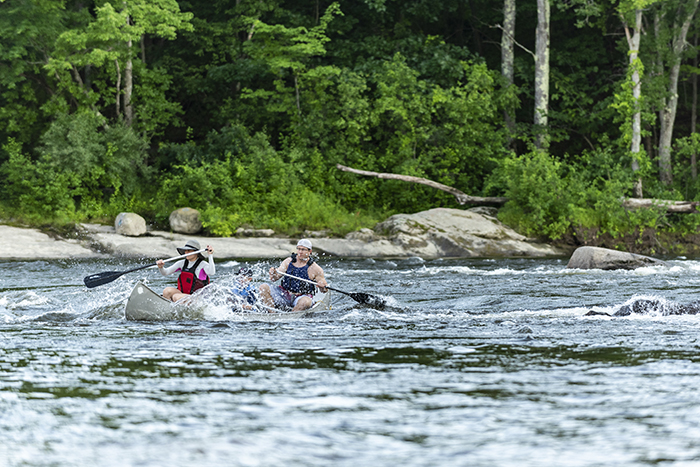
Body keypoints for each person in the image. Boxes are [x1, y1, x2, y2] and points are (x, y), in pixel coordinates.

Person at [259, 239, 327, 311]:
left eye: (303, 250)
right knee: (263, 287)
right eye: (299, 249)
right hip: (284, 294)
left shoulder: (315, 269)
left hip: (301, 297)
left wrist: (323, 286)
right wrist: (272, 273)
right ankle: (272, 314)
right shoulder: (288, 261)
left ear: (310, 251)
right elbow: (274, 279)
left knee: (306, 302)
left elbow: (324, 290)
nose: (300, 252)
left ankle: (291, 316)